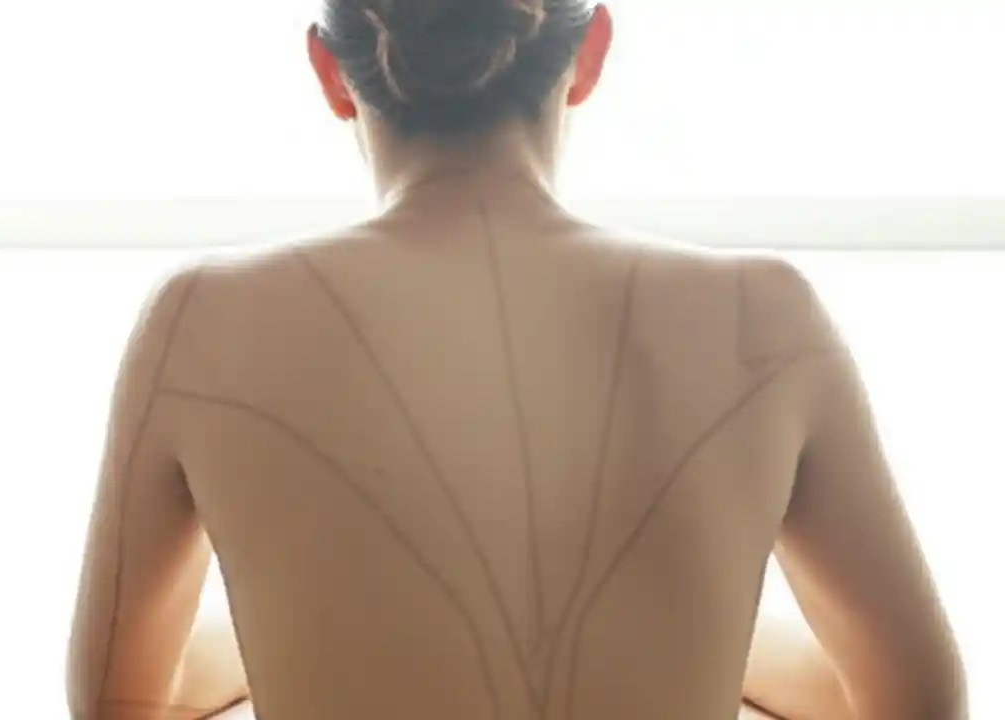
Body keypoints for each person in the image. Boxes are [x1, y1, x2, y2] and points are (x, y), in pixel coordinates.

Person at [66, 1, 967, 718]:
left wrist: (319, 626)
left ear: (331, 73)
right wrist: (690, 631)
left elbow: (121, 699)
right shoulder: (763, 314)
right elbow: (912, 703)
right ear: (592, 54)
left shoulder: (201, 319)